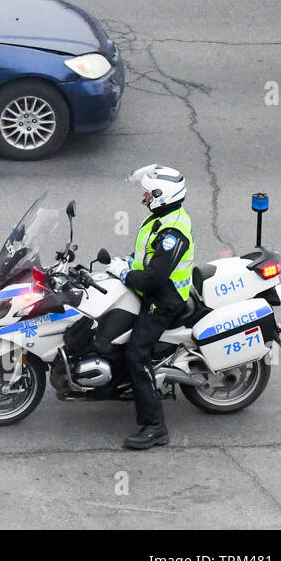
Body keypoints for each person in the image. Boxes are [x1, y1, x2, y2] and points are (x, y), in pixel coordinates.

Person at [119, 164, 195, 449]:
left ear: (163, 196)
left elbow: (155, 277)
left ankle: (154, 426)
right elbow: (146, 256)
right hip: (152, 288)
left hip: (165, 298)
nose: (145, 199)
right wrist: (125, 263)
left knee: (137, 353)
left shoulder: (174, 229)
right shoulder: (160, 218)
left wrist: (126, 275)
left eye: (148, 194)